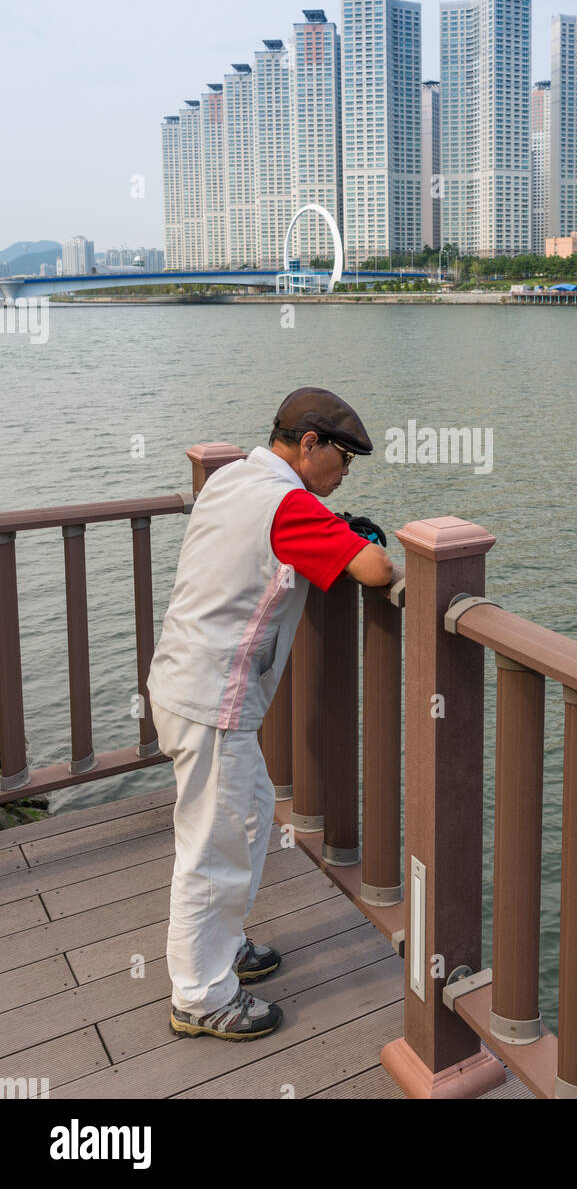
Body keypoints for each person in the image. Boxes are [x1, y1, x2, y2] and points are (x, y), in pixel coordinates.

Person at [147, 387, 393, 1040]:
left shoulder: (234, 478)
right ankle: (200, 998)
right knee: (214, 848)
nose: (347, 473)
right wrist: (351, 536)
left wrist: (332, 527)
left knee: (249, 819)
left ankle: (221, 952)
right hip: (213, 703)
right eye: (343, 458)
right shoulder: (287, 505)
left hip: (184, 683)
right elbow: (375, 567)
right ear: (308, 445)